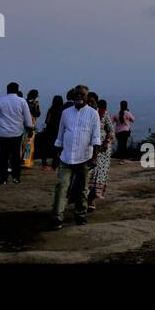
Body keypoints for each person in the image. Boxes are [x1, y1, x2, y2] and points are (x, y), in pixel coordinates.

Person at [51, 89, 102, 228]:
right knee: (61, 187)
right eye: (77, 94)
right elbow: (60, 135)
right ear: (73, 97)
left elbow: (96, 137)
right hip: (66, 157)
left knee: (82, 189)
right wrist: (56, 157)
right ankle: (57, 217)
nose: (79, 97)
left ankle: (80, 215)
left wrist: (94, 157)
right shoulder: (66, 113)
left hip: (84, 158)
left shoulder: (93, 114)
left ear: (86, 97)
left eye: (82, 95)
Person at [0, 81, 34, 185]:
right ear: (17, 90)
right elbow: (27, 118)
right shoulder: (22, 101)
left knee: (3, 156)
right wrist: (30, 129)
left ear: (7, 90)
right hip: (16, 133)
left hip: (2, 133)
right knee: (16, 156)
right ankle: (16, 177)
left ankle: (3, 179)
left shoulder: (0, 100)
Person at [87, 97, 115, 208]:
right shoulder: (83, 114)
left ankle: (92, 201)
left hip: (103, 152)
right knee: (87, 175)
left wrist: (105, 143)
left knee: (99, 175)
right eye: (88, 101)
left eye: (92, 102)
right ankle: (83, 199)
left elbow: (111, 130)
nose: (90, 104)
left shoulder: (103, 114)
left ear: (96, 103)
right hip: (87, 150)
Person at [37, 95, 63, 170]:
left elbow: (47, 121)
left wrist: (44, 129)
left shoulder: (51, 110)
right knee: (57, 149)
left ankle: (44, 164)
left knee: (45, 148)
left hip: (50, 131)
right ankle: (54, 164)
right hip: (58, 131)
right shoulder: (62, 111)